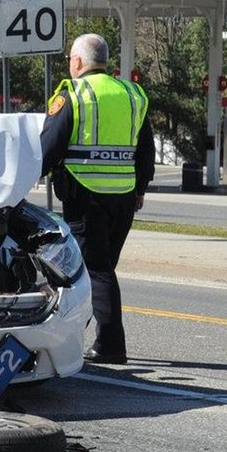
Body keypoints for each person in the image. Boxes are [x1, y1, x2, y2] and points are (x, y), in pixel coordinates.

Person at [41, 34, 155, 364]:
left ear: (78, 62)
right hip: (124, 198)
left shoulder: (73, 94)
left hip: (85, 196)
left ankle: (110, 344)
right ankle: (86, 334)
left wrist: (24, 178)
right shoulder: (132, 93)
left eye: (70, 60)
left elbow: (49, 146)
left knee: (96, 270)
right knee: (102, 270)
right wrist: (141, 188)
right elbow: (145, 146)